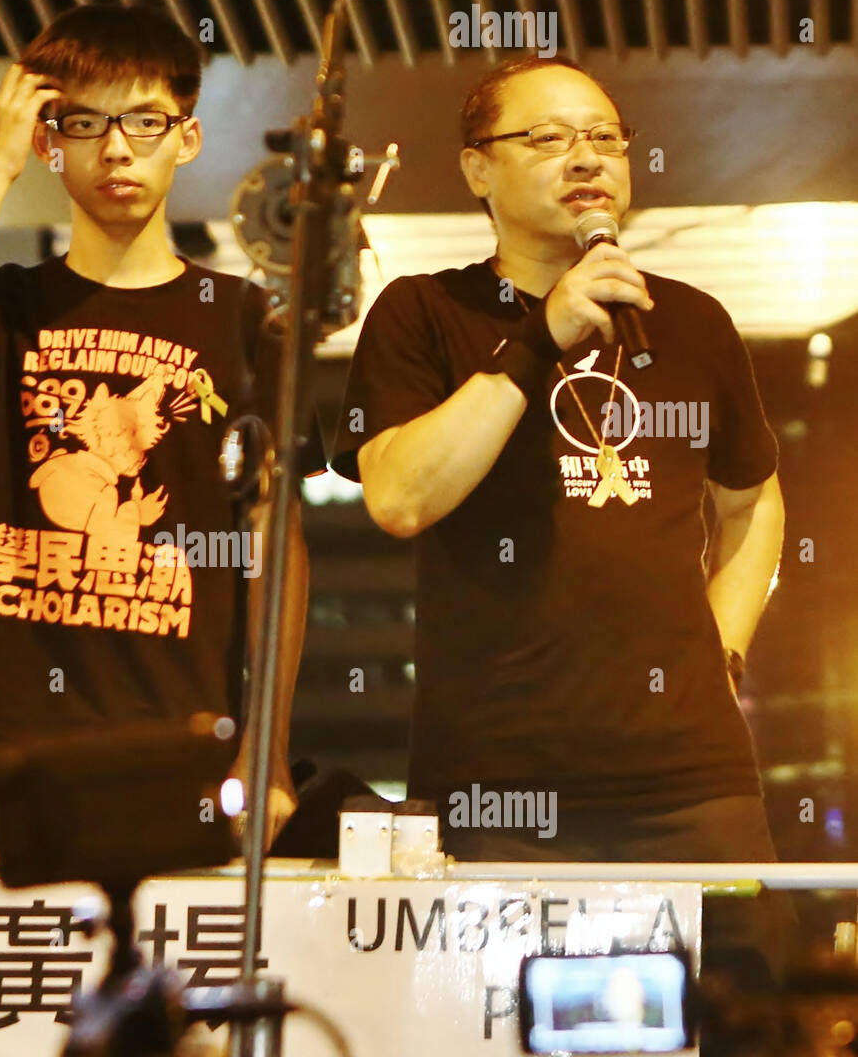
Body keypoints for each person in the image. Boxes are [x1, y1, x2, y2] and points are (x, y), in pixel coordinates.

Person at [331, 54, 791, 986]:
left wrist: (723, 650)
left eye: (604, 137)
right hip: (497, 782)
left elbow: (753, 499)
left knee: (726, 1054)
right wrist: (540, 336)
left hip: (692, 780)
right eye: (546, 138)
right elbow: (400, 495)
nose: (585, 157)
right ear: (476, 170)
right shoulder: (423, 313)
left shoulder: (693, 321)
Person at [0, 4, 320, 851]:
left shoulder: (242, 318)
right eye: (84, 124)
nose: (116, 149)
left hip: (181, 753)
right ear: (51, 141)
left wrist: (265, 753)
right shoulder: (10, 305)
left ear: (185, 137)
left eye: (144, 121)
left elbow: (275, 534)